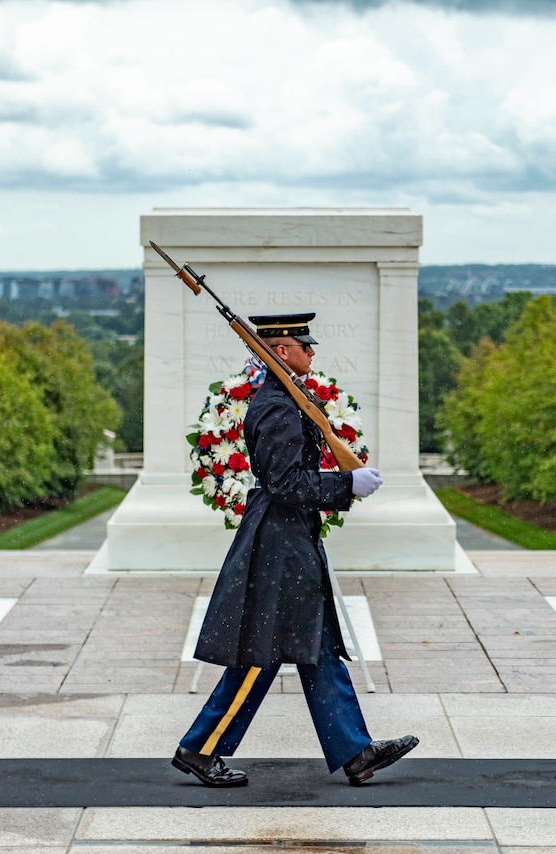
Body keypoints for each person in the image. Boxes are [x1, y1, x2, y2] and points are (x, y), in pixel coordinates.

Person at [172, 312, 418, 788]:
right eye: (304, 345)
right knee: (262, 653)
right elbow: (286, 483)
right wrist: (346, 483)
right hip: (279, 543)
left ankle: (355, 752)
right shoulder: (278, 408)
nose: (312, 351)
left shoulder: (287, 398)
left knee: (316, 646)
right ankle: (200, 749)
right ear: (281, 351)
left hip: (290, 535)